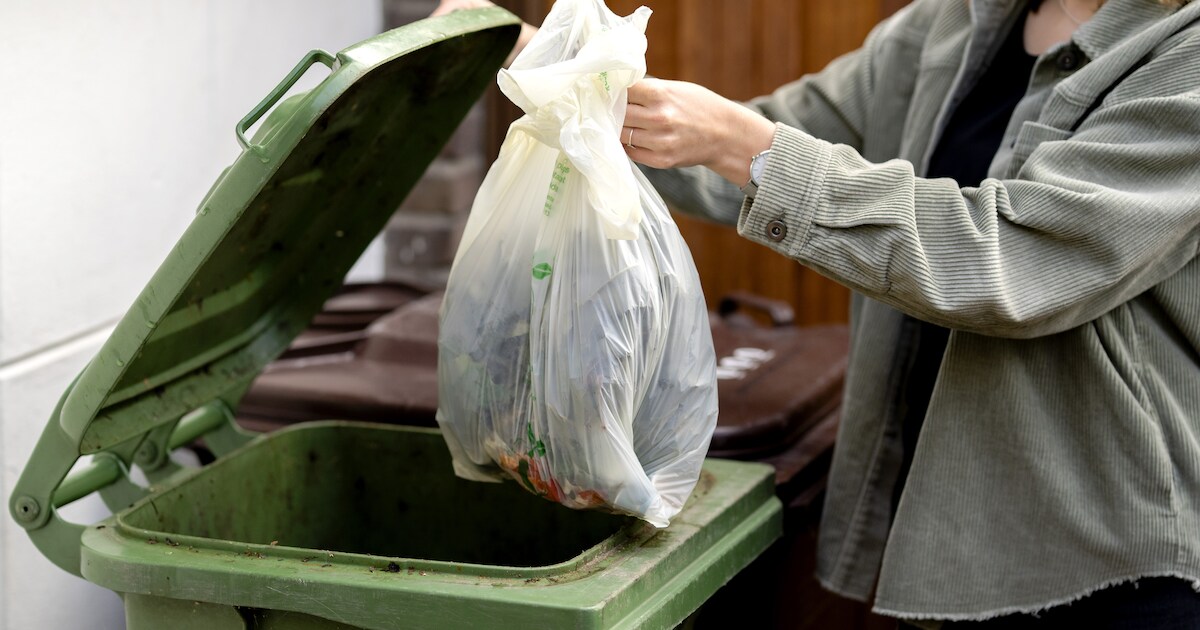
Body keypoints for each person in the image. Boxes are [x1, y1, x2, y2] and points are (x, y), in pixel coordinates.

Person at [435, 0, 1200, 627]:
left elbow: (1011, 260)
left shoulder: (1182, 64)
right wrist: (560, 69)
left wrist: (751, 149)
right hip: (960, 531)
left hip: (1112, 565)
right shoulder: (957, 23)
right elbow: (760, 139)